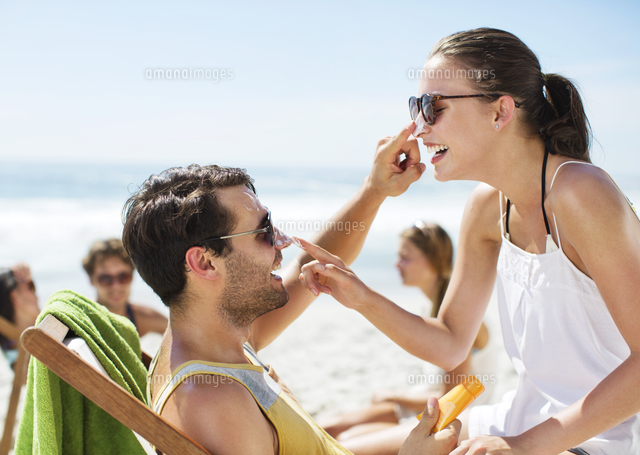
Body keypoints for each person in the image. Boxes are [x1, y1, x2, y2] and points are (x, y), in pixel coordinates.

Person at [299, 28, 640, 455]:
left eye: (432, 107)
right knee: (338, 446)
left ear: (500, 112)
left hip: (596, 438)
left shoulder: (578, 191)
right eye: (415, 107)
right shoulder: (486, 207)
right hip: (519, 421)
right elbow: (450, 341)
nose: (418, 128)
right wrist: (360, 295)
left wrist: (521, 447)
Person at [122, 160, 460, 455]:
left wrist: (375, 189)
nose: (282, 240)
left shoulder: (218, 341)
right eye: (264, 231)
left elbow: (312, 263)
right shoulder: (215, 399)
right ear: (205, 263)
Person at [322, 222, 489, 442]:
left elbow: (450, 400)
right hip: (422, 404)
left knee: (344, 439)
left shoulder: (460, 317)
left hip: (443, 419)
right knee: (327, 428)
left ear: (434, 260)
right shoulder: (429, 308)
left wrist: (394, 396)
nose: (396, 264)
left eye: (405, 257)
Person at [82, 238, 168, 337]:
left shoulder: (144, 318)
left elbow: (181, 335)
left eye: (123, 277)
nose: (116, 286)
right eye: (106, 279)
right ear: (92, 280)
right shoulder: (83, 319)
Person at [0, 264, 40, 368]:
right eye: (30, 286)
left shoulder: (12, 351)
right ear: (14, 298)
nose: (36, 296)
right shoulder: (23, 357)